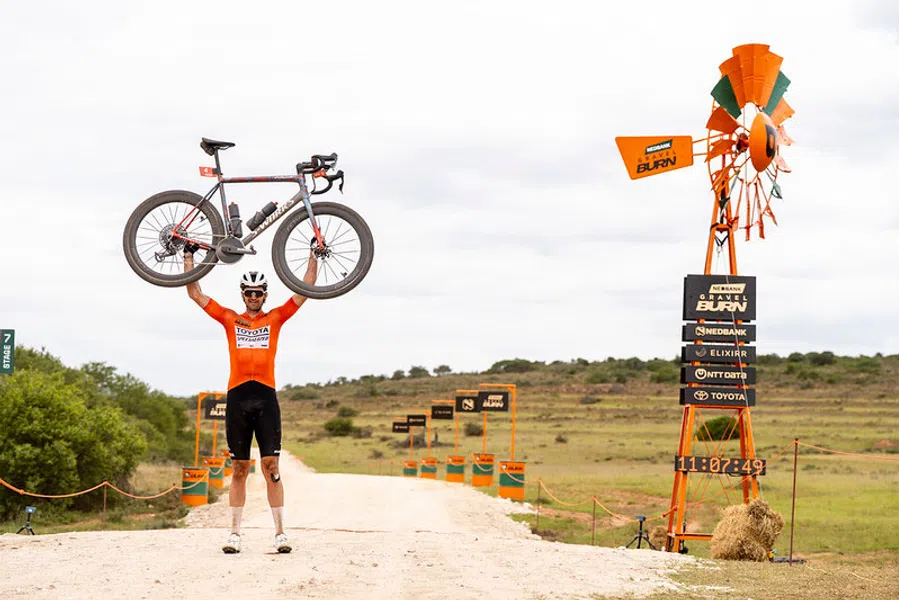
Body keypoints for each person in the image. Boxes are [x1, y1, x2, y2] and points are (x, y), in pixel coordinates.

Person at [184, 246, 317, 554]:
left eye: (258, 293)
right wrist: (189, 257)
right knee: (240, 467)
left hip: (266, 396)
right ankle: (234, 534)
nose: (254, 297)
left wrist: (312, 255)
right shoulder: (230, 319)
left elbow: (306, 289)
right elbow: (195, 293)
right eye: (249, 292)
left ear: (265, 295)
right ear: (242, 294)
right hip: (239, 396)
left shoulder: (276, 318)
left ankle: (281, 533)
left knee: (271, 465)